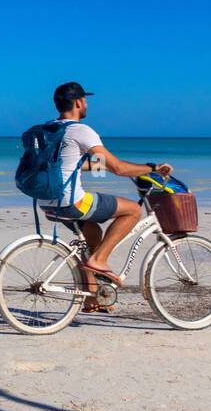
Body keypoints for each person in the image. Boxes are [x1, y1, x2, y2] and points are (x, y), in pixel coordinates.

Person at [42, 82, 172, 312]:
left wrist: (99, 167)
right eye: (85, 100)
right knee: (133, 210)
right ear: (79, 102)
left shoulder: (49, 129)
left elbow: (71, 166)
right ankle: (99, 260)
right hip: (72, 202)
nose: (87, 104)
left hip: (47, 202)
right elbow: (119, 168)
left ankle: (92, 297)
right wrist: (150, 168)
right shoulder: (81, 130)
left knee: (93, 232)